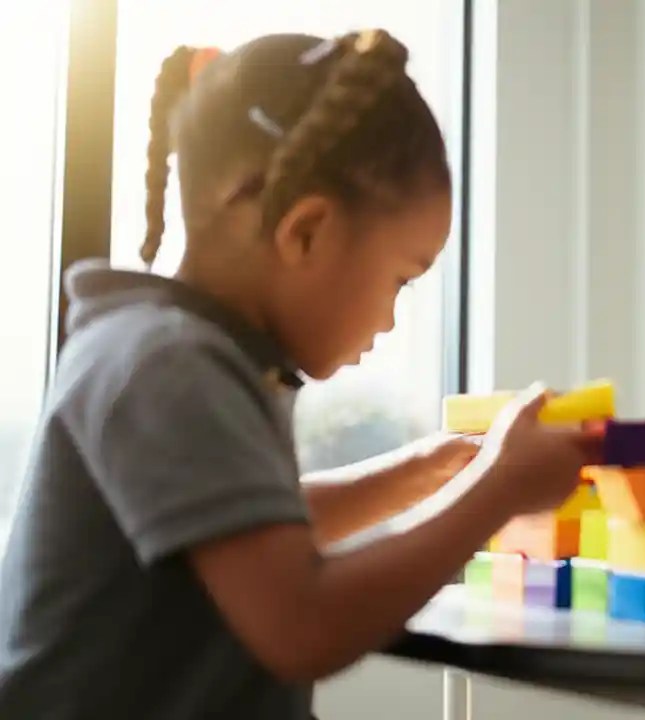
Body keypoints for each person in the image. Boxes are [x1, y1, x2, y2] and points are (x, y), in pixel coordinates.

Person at [0, 30, 596, 719]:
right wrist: (498, 492)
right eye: (400, 279)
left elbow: (256, 531)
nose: (391, 321)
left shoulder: (184, 355)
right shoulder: (165, 366)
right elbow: (303, 624)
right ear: (305, 232)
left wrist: (424, 472)